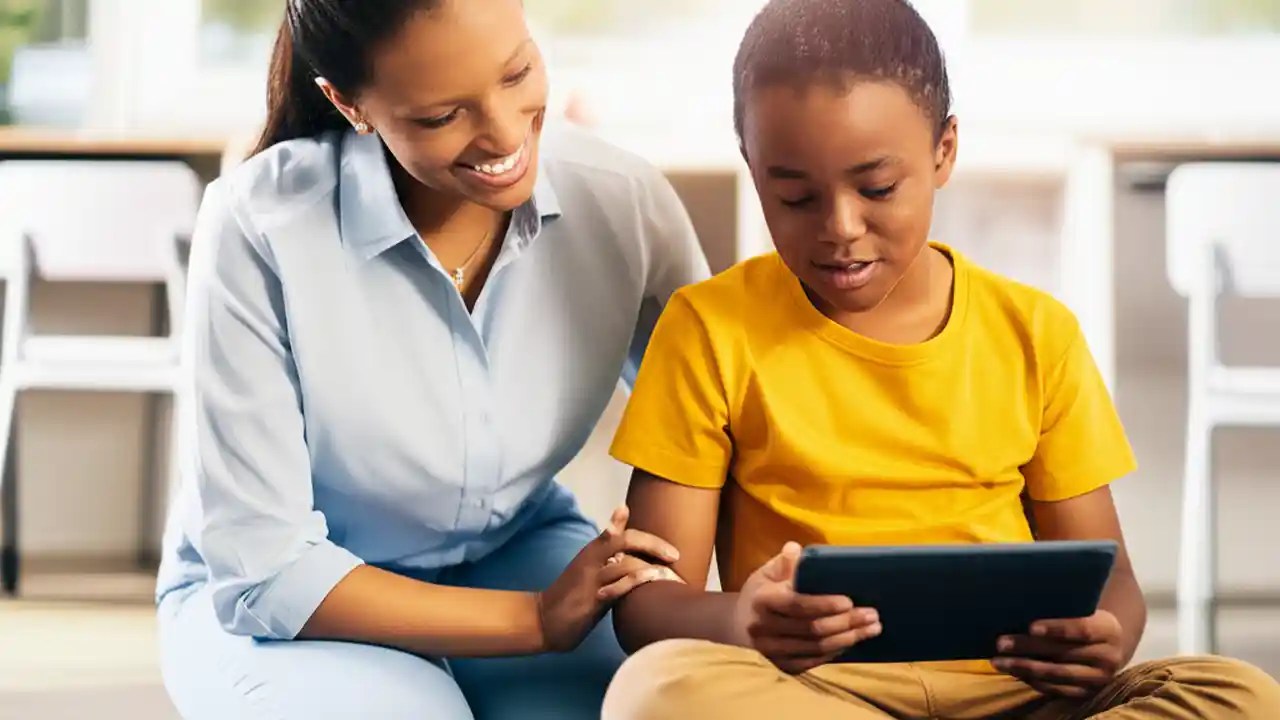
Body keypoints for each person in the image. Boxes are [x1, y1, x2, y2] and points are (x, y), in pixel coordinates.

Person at [599, 0, 1280, 718]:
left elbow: (1114, 588)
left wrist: (1103, 637)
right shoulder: (709, 328)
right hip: (816, 695)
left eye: (877, 189)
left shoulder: (1036, 333)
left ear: (944, 151)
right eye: (795, 196)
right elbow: (648, 603)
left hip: (1017, 697)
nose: (840, 228)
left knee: (1241, 695)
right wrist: (742, 620)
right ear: (753, 167)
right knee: (656, 693)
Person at [155, 1, 708, 718]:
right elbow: (266, 571)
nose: (505, 133)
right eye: (443, 116)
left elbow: (718, 420)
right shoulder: (260, 226)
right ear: (349, 104)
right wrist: (537, 619)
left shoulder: (623, 201)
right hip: (297, 598)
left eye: (517, 73)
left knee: (654, 703)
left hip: (513, 548)